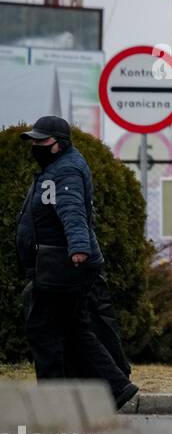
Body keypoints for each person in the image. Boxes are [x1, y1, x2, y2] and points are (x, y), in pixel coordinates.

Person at [16, 116, 138, 409]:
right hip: (60, 263)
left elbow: (72, 213)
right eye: (33, 140)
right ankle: (117, 387)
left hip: (62, 265)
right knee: (74, 330)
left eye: (41, 140)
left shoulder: (66, 170)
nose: (35, 145)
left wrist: (78, 249)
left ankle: (53, 399)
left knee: (43, 330)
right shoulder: (57, 167)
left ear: (59, 144)